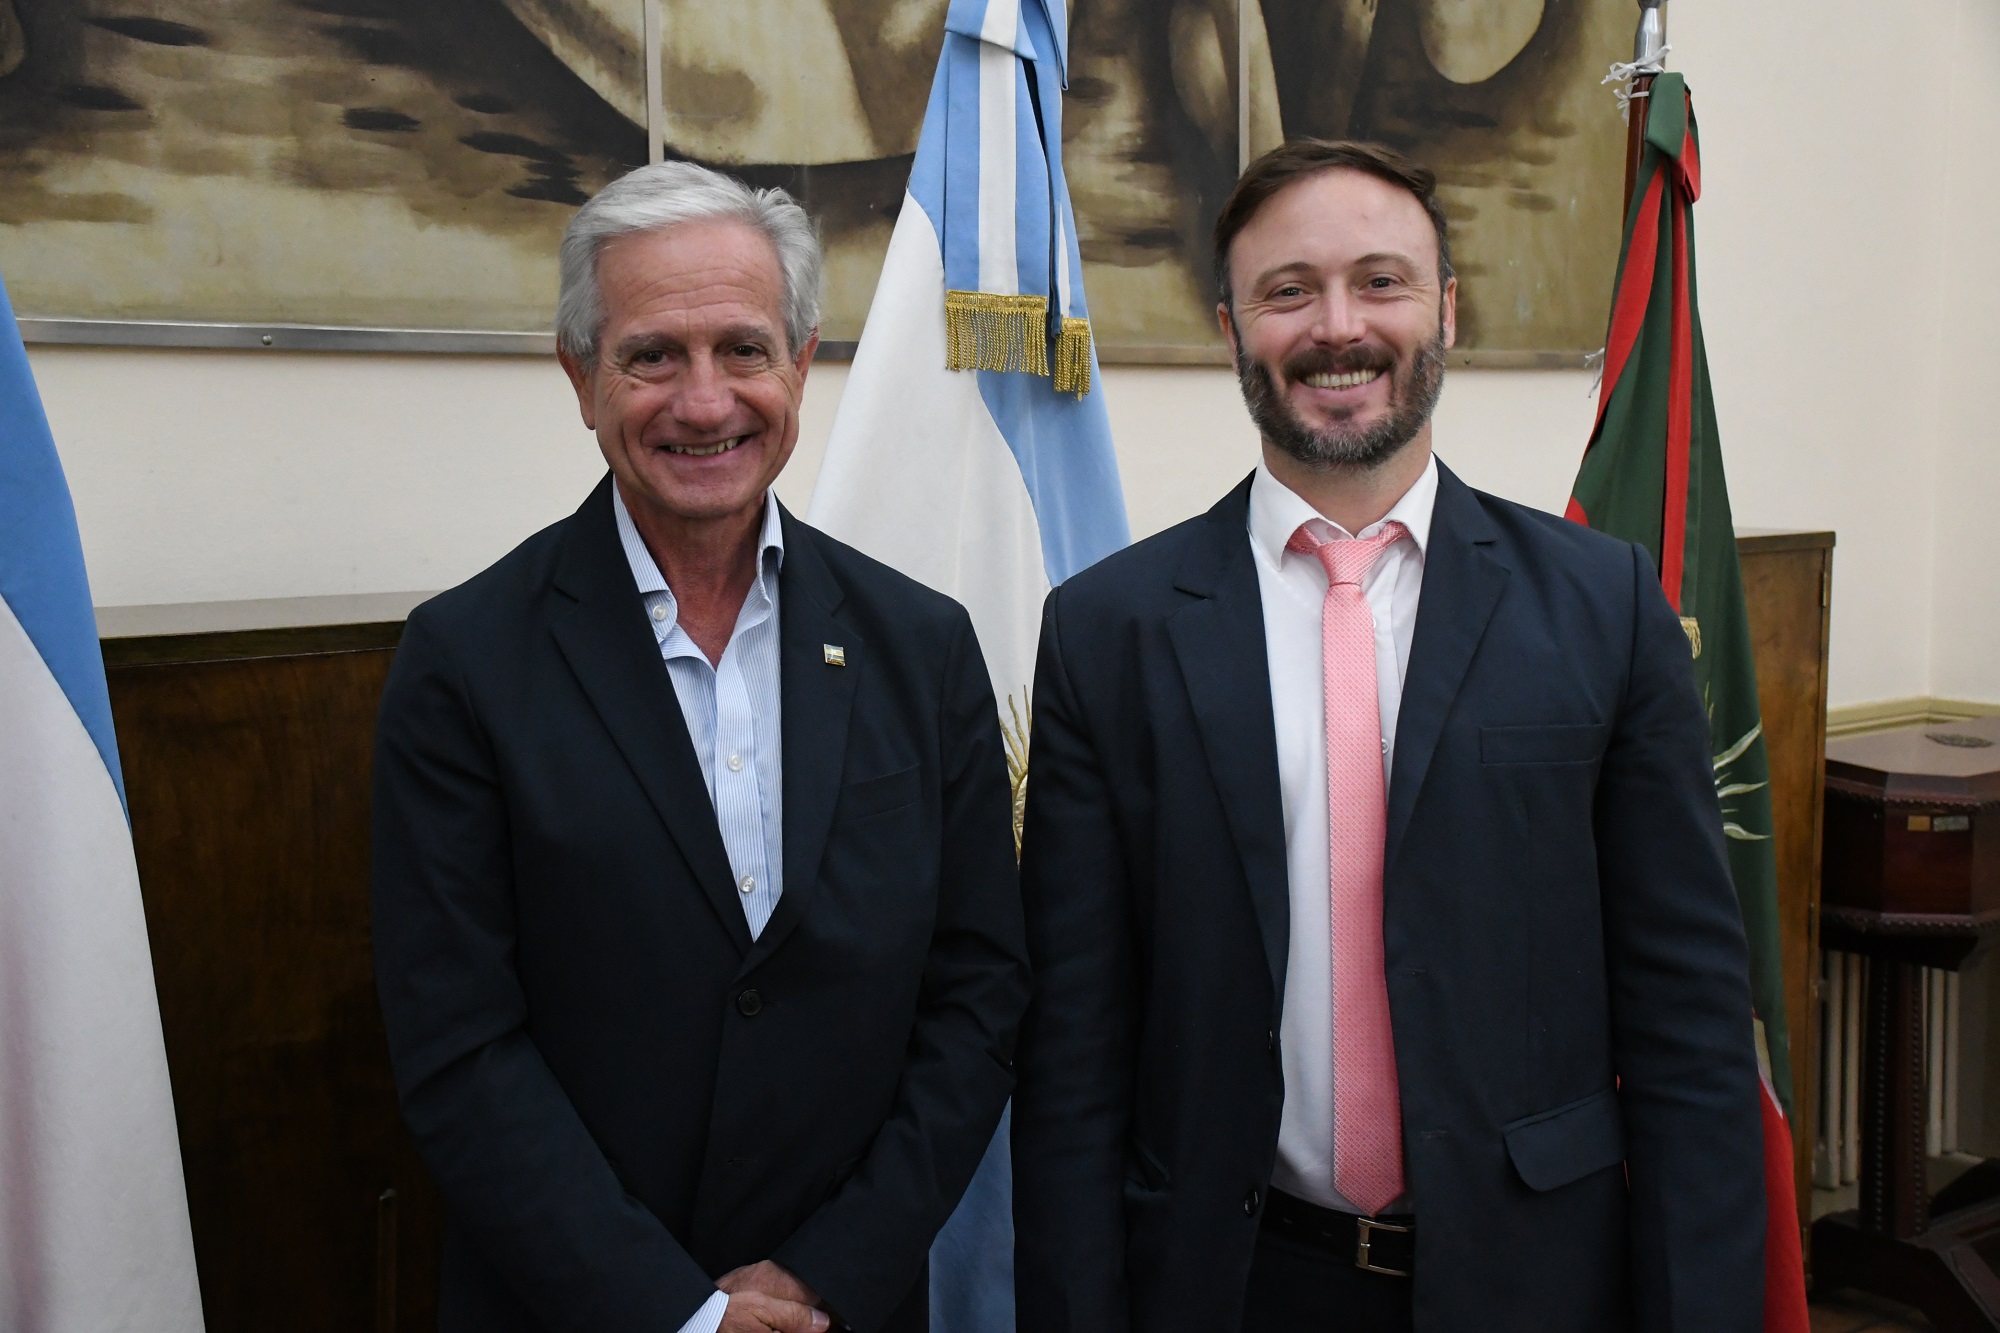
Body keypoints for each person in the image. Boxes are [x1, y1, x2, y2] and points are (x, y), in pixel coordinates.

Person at [1010, 138, 1766, 1332]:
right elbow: (1070, 1057)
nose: (1336, 326)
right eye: (1286, 290)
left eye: (1380, 281)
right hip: (1228, 1283)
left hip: (1536, 1281)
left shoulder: (1600, 608)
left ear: (1445, 311)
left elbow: (1687, 1030)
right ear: (1228, 327)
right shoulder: (1109, 634)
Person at [371, 161, 1028, 1333]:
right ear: (580, 376)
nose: (704, 399)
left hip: (847, 1308)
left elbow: (977, 994)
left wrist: (827, 1271)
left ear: (802, 361)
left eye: (741, 348)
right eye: (651, 355)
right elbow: (458, 1046)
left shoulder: (920, 647)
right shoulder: (464, 660)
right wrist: (680, 1312)